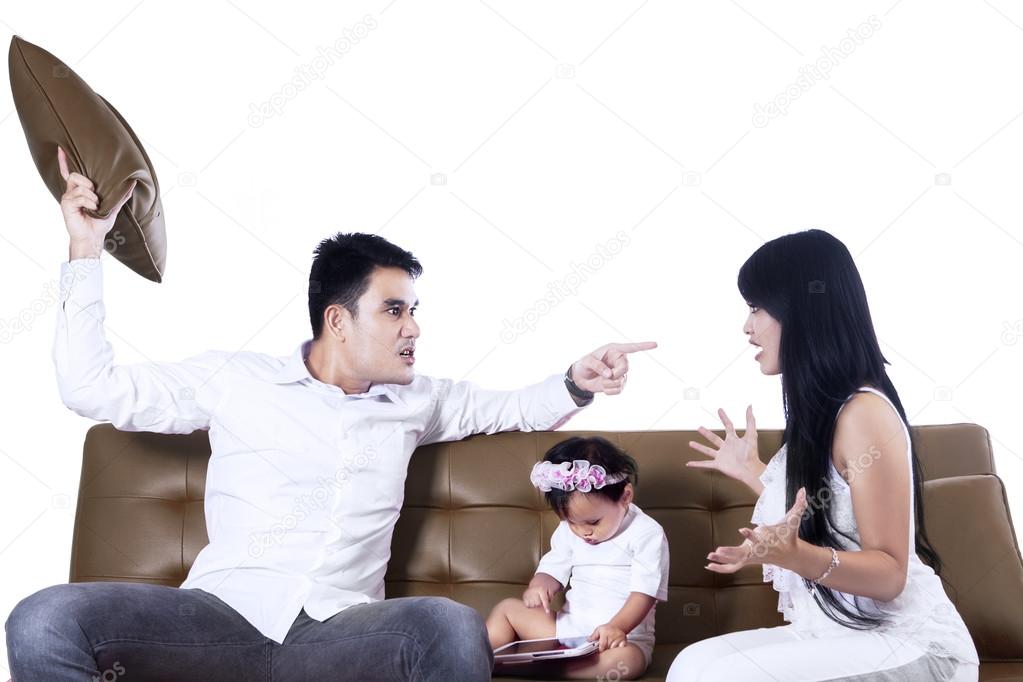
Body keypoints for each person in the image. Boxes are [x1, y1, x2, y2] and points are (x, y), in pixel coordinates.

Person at [4, 147, 657, 681]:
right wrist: (84, 252)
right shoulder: (236, 380)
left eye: (414, 311)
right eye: (395, 310)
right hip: (220, 621)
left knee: (450, 623)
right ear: (338, 320)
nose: (414, 329)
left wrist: (578, 381)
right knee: (43, 619)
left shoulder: (419, 400)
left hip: (343, 635)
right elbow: (90, 386)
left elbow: (514, 407)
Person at [667, 229, 979, 681]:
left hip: (913, 646)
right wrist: (756, 473)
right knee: (692, 664)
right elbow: (825, 507)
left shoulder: (864, 413)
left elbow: (890, 575)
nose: (747, 326)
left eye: (756, 307)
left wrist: (797, 557)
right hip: (842, 634)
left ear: (801, 309)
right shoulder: (824, 413)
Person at [486, 436, 669, 680]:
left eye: (593, 522)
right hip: (564, 630)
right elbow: (554, 565)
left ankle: (528, 667)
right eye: (571, 522)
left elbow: (644, 594)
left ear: (625, 497)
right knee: (507, 609)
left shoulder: (647, 533)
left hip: (617, 640)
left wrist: (618, 627)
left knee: (623, 663)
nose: (584, 531)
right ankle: (482, 657)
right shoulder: (570, 531)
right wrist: (541, 584)